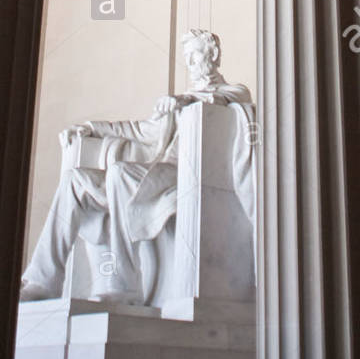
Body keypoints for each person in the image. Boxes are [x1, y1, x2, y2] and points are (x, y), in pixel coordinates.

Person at [20, 29, 253, 303]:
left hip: (183, 175)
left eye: (195, 56)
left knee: (119, 171)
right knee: (75, 179)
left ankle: (123, 285)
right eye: (186, 58)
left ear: (212, 54)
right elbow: (140, 131)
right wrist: (90, 127)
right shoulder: (176, 103)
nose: (189, 64)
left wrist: (186, 100)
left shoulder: (232, 91)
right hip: (153, 175)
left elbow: (229, 99)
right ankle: (43, 280)